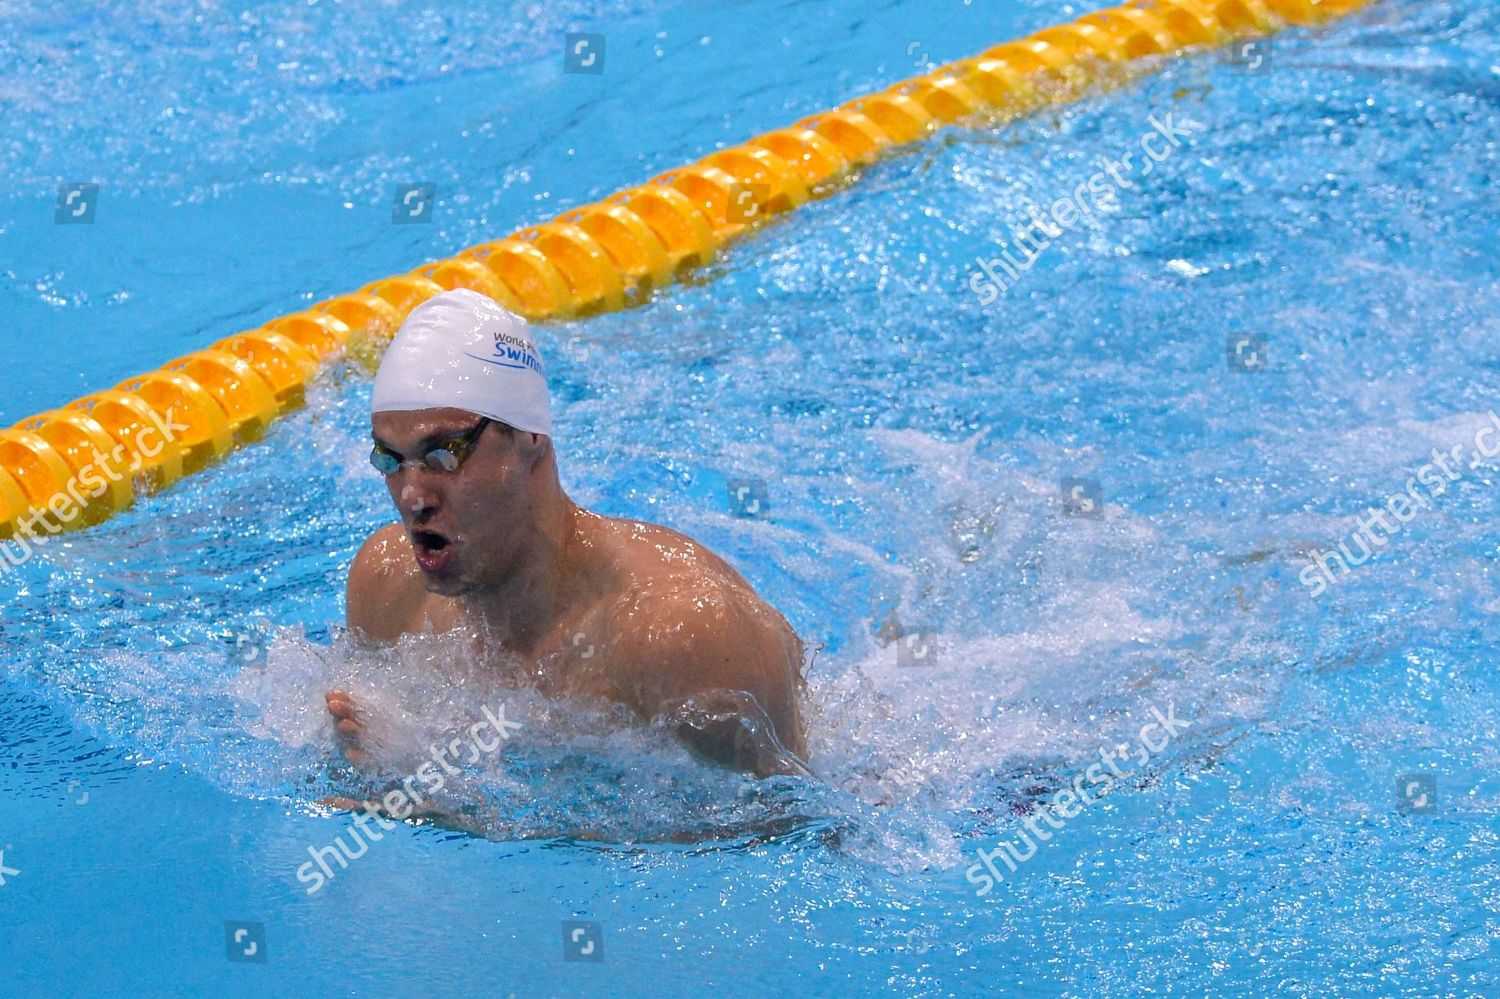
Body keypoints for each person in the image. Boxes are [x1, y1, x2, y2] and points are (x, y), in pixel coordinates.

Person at [326, 288, 808, 778]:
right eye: (391, 459)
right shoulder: (386, 587)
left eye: (443, 454)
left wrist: (464, 814)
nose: (413, 495)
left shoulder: (679, 635)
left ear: (530, 436)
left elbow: (794, 826)